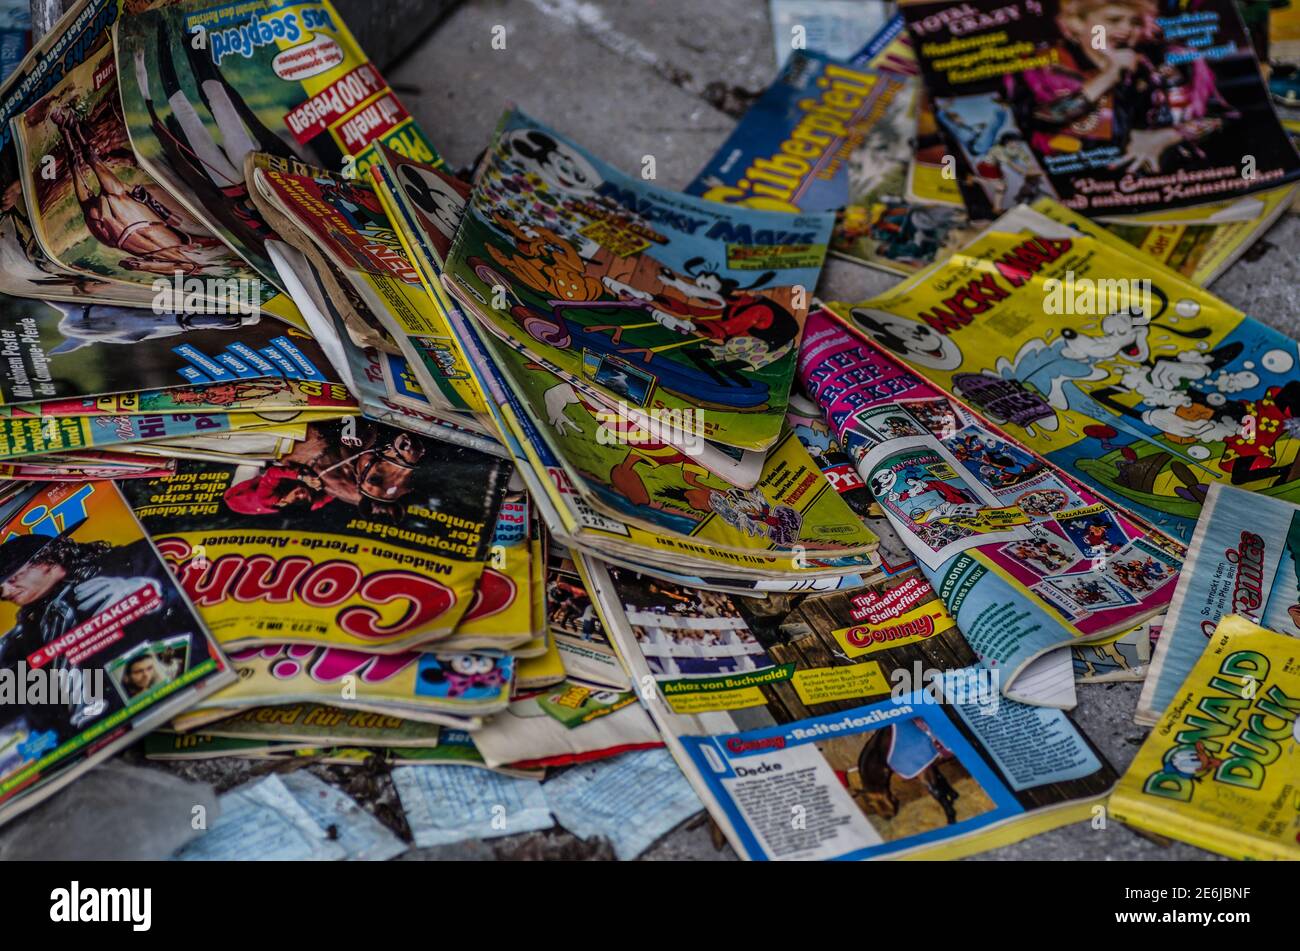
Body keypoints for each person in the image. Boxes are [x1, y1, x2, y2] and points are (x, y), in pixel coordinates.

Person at [0, 530, 194, 742]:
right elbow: (17, 690)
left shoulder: (130, 561)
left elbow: (192, 593)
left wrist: (151, 593)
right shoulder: (30, 626)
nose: (5, 591)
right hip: (85, 738)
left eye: (13, 577)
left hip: (170, 695)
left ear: (48, 559)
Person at [1005, 0, 1228, 174]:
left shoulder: (1166, 62)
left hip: (1168, 183)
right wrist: (1109, 75)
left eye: (1135, 22)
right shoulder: (1042, 68)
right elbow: (1035, 120)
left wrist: (1171, 134)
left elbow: (1225, 116)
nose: (1126, 30)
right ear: (1077, 23)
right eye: (1113, 20)